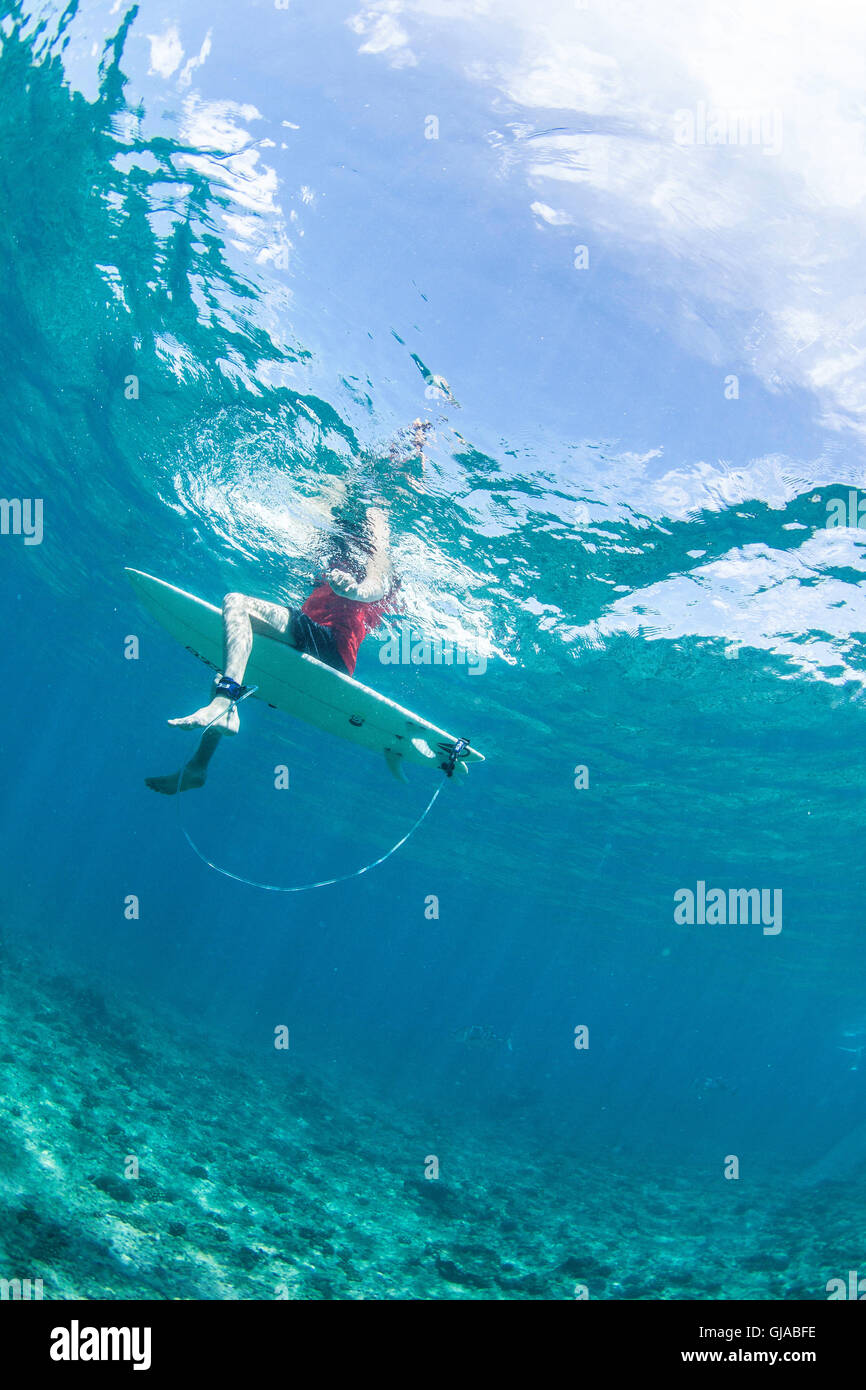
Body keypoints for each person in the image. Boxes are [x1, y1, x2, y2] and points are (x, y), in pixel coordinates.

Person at [146, 506, 394, 795]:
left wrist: (356, 592)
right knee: (227, 670)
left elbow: (379, 583)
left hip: (331, 645)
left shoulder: (376, 551)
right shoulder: (336, 549)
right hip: (302, 643)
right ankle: (198, 767)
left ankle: (225, 702)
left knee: (237, 603)